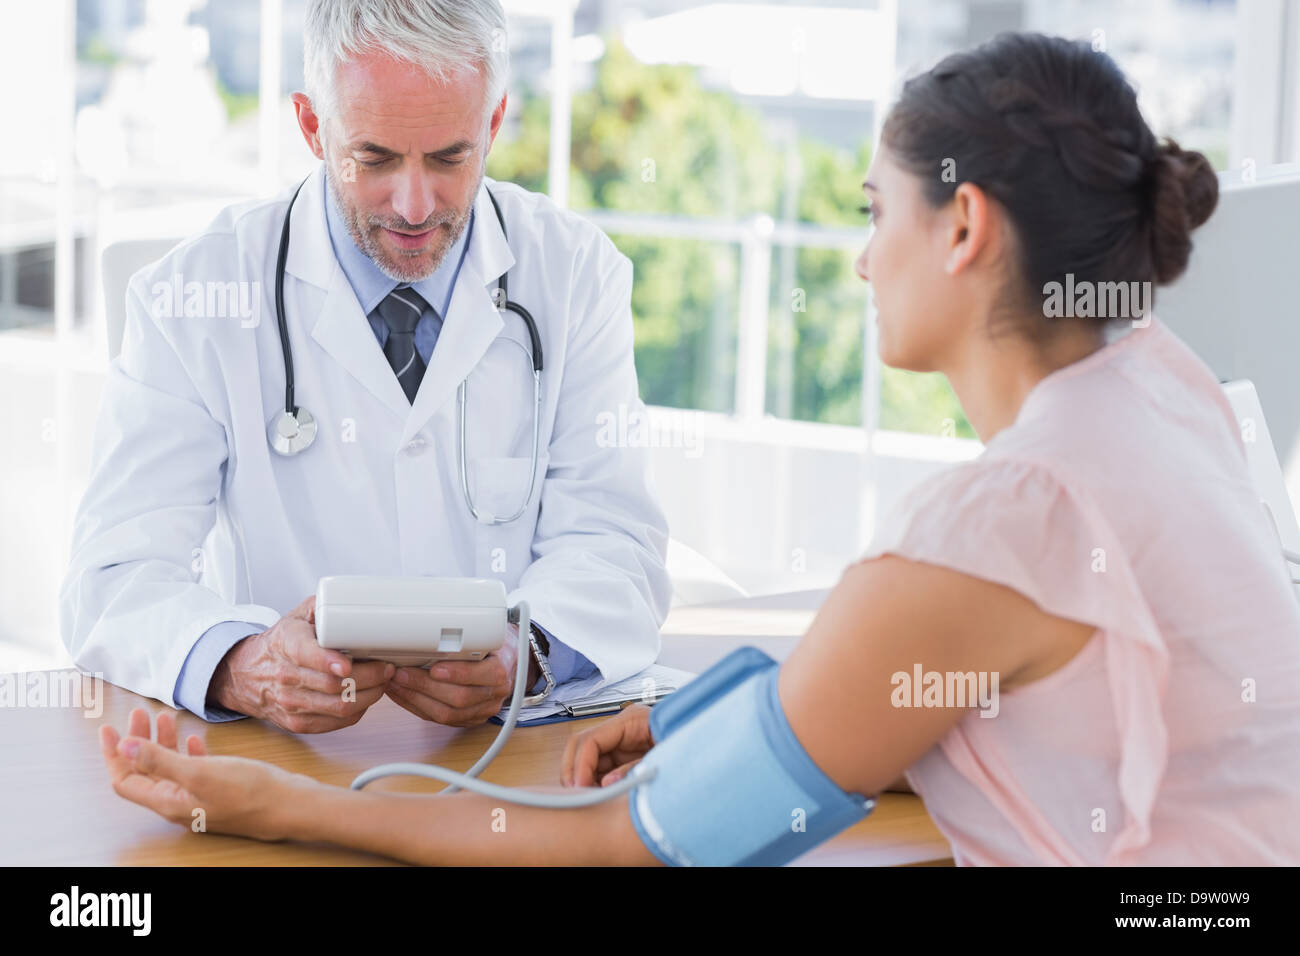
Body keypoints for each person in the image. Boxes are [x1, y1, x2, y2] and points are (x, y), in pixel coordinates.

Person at [100, 32, 1300, 866]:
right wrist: (694, 720)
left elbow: (634, 839)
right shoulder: (1166, 390)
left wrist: (290, 806)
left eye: (873, 211)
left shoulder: (996, 525)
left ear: (965, 226)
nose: (860, 258)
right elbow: (915, 691)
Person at [62, 0, 671, 734]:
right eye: (374, 158)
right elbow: (114, 577)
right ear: (313, 127)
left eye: (450, 157)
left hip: (501, 759)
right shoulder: (190, 297)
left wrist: (527, 656)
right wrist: (241, 665)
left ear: (494, 122)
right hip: (283, 767)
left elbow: (614, 543)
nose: (414, 205)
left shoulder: (575, 274)